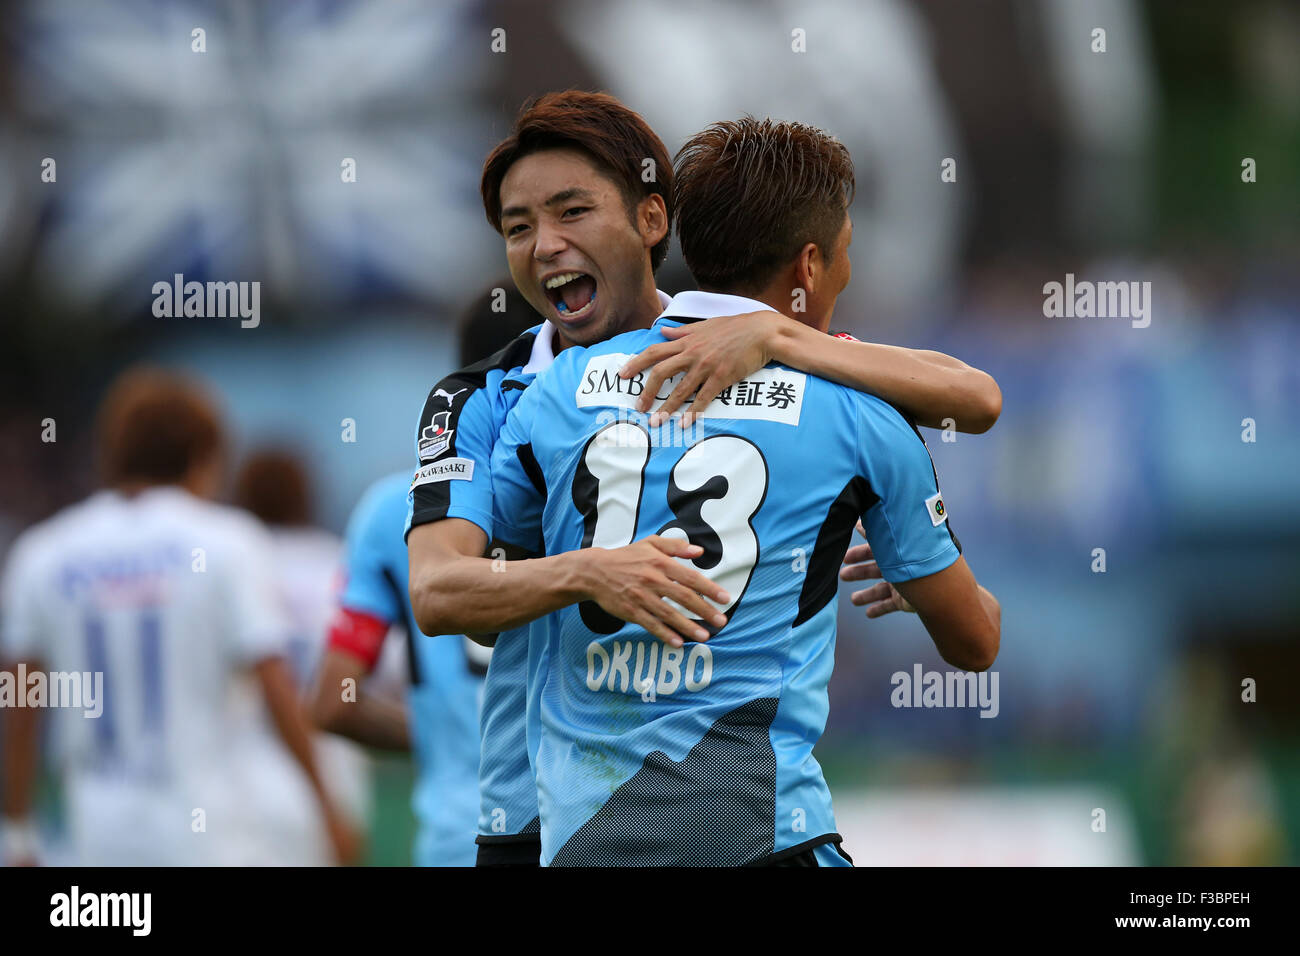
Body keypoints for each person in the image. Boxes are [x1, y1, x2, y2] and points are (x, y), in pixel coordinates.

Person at [406, 91, 1001, 866]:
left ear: (653, 221)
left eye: (572, 213)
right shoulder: (487, 397)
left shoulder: (768, 354)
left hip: (642, 821)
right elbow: (451, 598)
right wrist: (588, 572)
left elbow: (974, 396)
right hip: (538, 815)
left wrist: (776, 332)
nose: (546, 245)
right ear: (813, 264)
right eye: (518, 228)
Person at [0, 369, 358, 866]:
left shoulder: (44, 552)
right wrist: (326, 807)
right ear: (201, 457)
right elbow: (276, 684)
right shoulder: (227, 542)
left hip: (94, 840)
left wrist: (17, 829)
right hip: (207, 836)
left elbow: (19, 702)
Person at [310, 285, 535, 866]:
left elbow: (335, 699)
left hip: (458, 836)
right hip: (593, 830)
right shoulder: (611, 484)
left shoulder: (390, 510)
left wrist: (443, 734)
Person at [233, 450, 371, 866]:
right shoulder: (339, 560)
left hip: (242, 777)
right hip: (335, 766)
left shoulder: (230, 557)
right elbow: (384, 671)